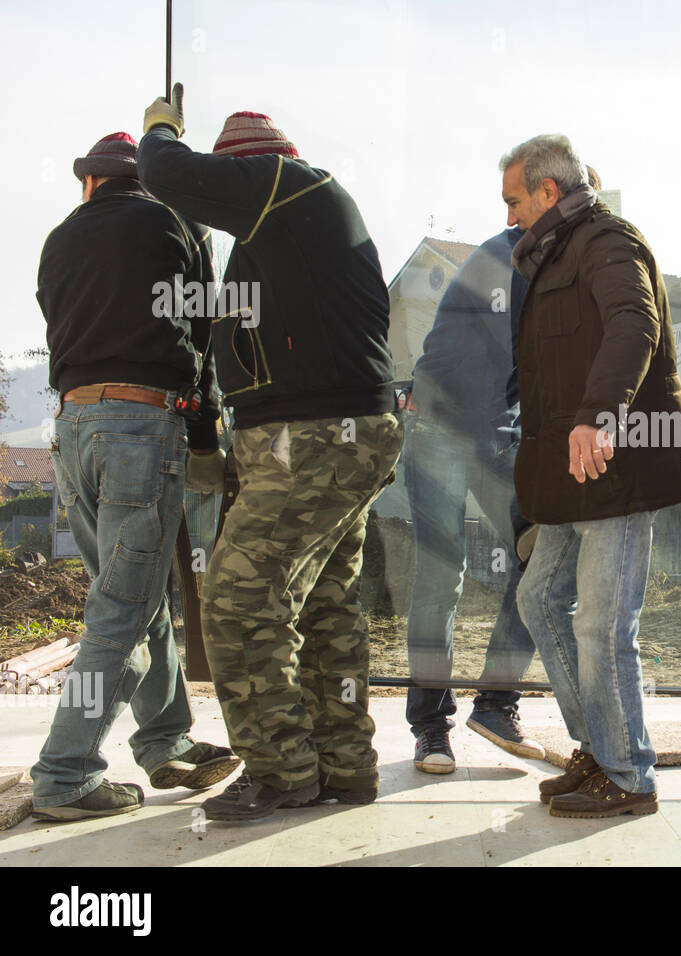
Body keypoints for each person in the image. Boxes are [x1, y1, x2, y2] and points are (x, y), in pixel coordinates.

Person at [138, 90, 404, 820]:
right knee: (324, 606)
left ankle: (283, 772)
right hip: (329, 435)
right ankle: (345, 767)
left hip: (316, 437)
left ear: (250, 169)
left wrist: (160, 126)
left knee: (236, 599)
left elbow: (166, 172)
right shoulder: (293, 229)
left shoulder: (285, 186)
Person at [503, 134, 681, 818]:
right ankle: (598, 746)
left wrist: (599, 417)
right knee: (539, 600)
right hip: (572, 475)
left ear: (548, 192)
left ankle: (629, 777)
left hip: (616, 463)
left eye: (514, 200)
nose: (508, 216)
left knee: (602, 624)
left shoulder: (608, 240)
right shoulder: (554, 256)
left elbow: (634, 321)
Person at [30, 132, 240, 821]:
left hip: (71, 428)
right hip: (141, 428)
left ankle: (165, 741)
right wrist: (208, 437)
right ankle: (66, 772)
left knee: (128, 594)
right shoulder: (174, 224)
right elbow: (203, 334)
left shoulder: (60, 240)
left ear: (91, 181)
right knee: (125, 607)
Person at [402, 220, 542, 773]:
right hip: (440, 424)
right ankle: (432, 729)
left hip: (491, 428)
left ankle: (495, 705)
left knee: (539, 554)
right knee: (440, 577)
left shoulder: (537, 256)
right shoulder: (519, 255)